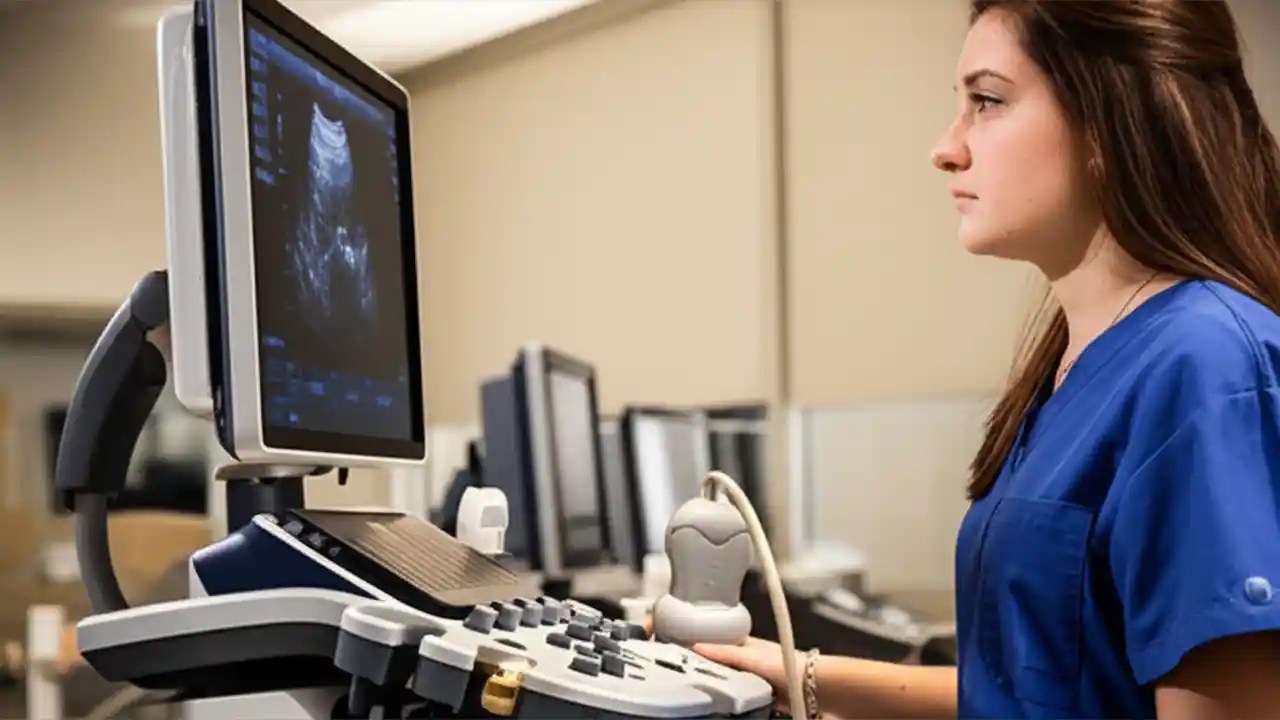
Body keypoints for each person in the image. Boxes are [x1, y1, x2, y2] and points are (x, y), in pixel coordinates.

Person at [693, 1, 1280, 717]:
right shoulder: (1075, 362)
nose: (947, 147)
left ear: (1110, 118)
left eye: (987, 102)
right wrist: (799, 675)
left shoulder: (1205, 365)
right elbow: (1037, 687)